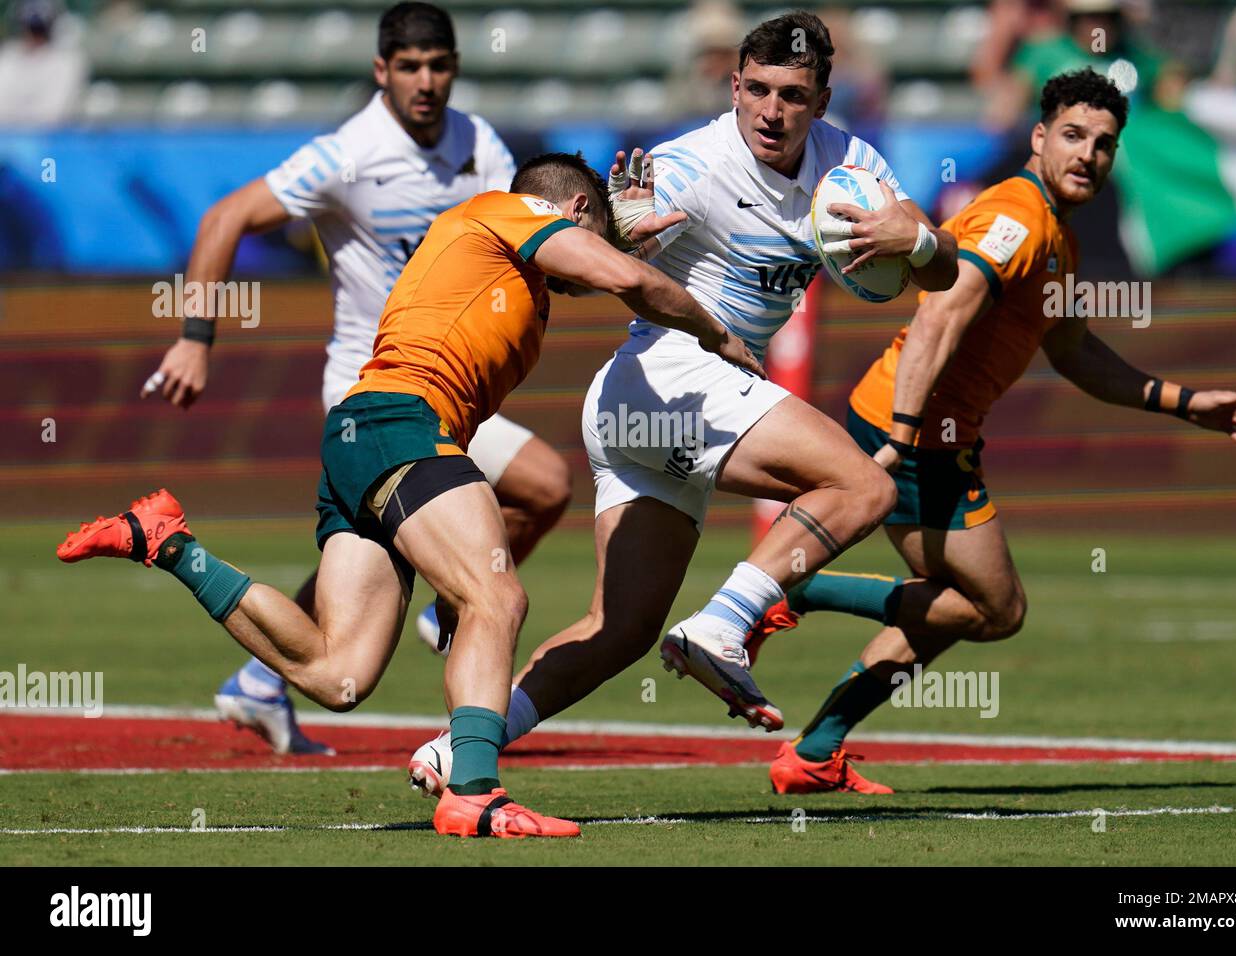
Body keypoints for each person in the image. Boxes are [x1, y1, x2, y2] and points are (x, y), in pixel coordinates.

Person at [58, 153, 764, 838]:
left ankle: (167, 543)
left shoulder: (512, 264)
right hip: (401, 422)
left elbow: (597, 272)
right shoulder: (513, 210)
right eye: (594, 227)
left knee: (337, 675)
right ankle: (474, 794)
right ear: (573, 209)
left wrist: (619, 239)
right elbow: (625, 280)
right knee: (496, 598)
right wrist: (717, 333)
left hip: (365, 434)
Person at [408, 11, 959, 795]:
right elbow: (579, 256)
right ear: (733, 87)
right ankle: (726, 621)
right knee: (862, 486)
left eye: (792, 95)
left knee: (618, 631)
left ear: (822, 100)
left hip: (648, 407)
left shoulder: (854, 166)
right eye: (757, 90)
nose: (772, 111)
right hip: (675, 376)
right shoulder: (689, 165)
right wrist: (621, 234)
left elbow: (941, 274)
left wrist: (922, 241)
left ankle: (454, 750)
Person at [742, 70, 1236, 794]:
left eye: (1104, 144)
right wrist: (902, 434)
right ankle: (797, 592)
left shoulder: (1057, 234)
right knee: (994, 609)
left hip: (934, 436)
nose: (1088, 154)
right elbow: (941, 313)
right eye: (1073, 135)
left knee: (965, 607)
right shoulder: (1019, 218)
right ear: (1039, 137)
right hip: (916, 434)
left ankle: (815, 748)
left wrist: (1184, 402)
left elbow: (1075, 352)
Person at [143, 3, 571, 754]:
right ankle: (456, 622)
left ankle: (269, 675)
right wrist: (194, 339)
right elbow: (223, 218)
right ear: (382, 71)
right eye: (409, 66)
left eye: (438, 65)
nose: (425, 81)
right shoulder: (347, 153)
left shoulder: (478, 142)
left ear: (455, 67)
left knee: (414, 537)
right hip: (371, 390)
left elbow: (534, 233)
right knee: (531, 488)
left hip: (442, 390)